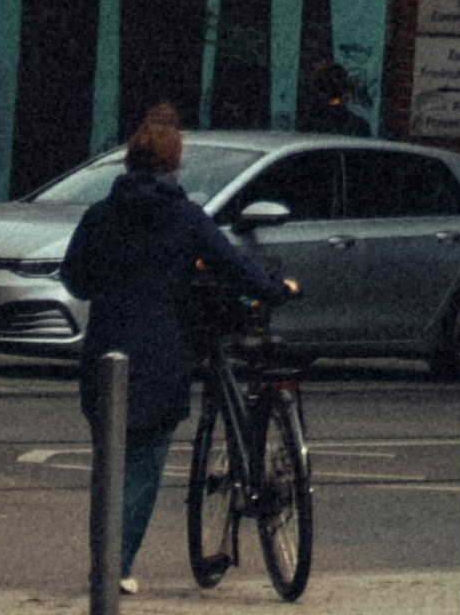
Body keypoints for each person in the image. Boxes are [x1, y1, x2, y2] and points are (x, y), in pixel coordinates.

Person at [59, 106, 287, 580]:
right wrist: (275, 289)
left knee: (109, 466)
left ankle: (103, 563)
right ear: (174, 165)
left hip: (105, 353)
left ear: (128, 163)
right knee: (143, 468)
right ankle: (116, 568)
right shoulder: (187, 218)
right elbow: (235, 267)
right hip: (164, 355)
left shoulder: (100, 215)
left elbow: (75, 280)